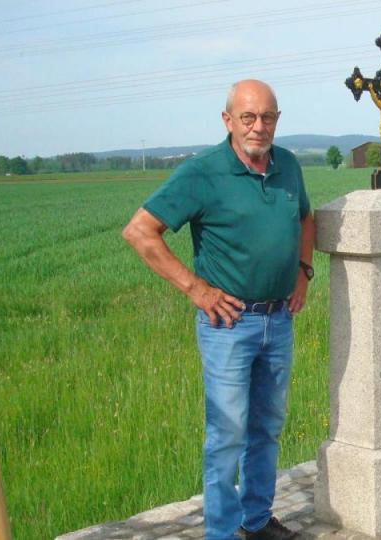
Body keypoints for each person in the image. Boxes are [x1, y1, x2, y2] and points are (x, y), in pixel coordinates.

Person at [122, 79, 315, 540]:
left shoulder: (287, 165)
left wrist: (303, 270)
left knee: (266, 429)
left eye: (267, 117)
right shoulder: (203, 172)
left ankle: (257, 519)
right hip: (228, 324)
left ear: (278, 120)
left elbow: (306, 218)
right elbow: (139, 232)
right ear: (228, 120)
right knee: (227, 435)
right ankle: (223, 533)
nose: (258, 126)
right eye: (248, 117)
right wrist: (195, 288)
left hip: (278, 320)